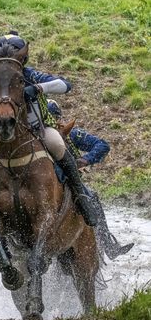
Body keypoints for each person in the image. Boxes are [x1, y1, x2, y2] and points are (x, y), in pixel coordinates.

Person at [0, 31, 97, 242]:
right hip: (6, 133)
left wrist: (36, 88)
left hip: (40, 130)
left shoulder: (30, 74)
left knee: (58, 146)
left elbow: (65, 85)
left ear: (22, 59)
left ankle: (81, 197)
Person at [47, 99, 134, 260]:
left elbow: (102, 145)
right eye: (54, 119)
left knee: (92, 197)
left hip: (67, 181)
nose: (57, 123)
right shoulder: (34, 139)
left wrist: (85, 160)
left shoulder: (72, 134)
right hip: (46, 183)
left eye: (57, 119)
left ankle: (108, 245)